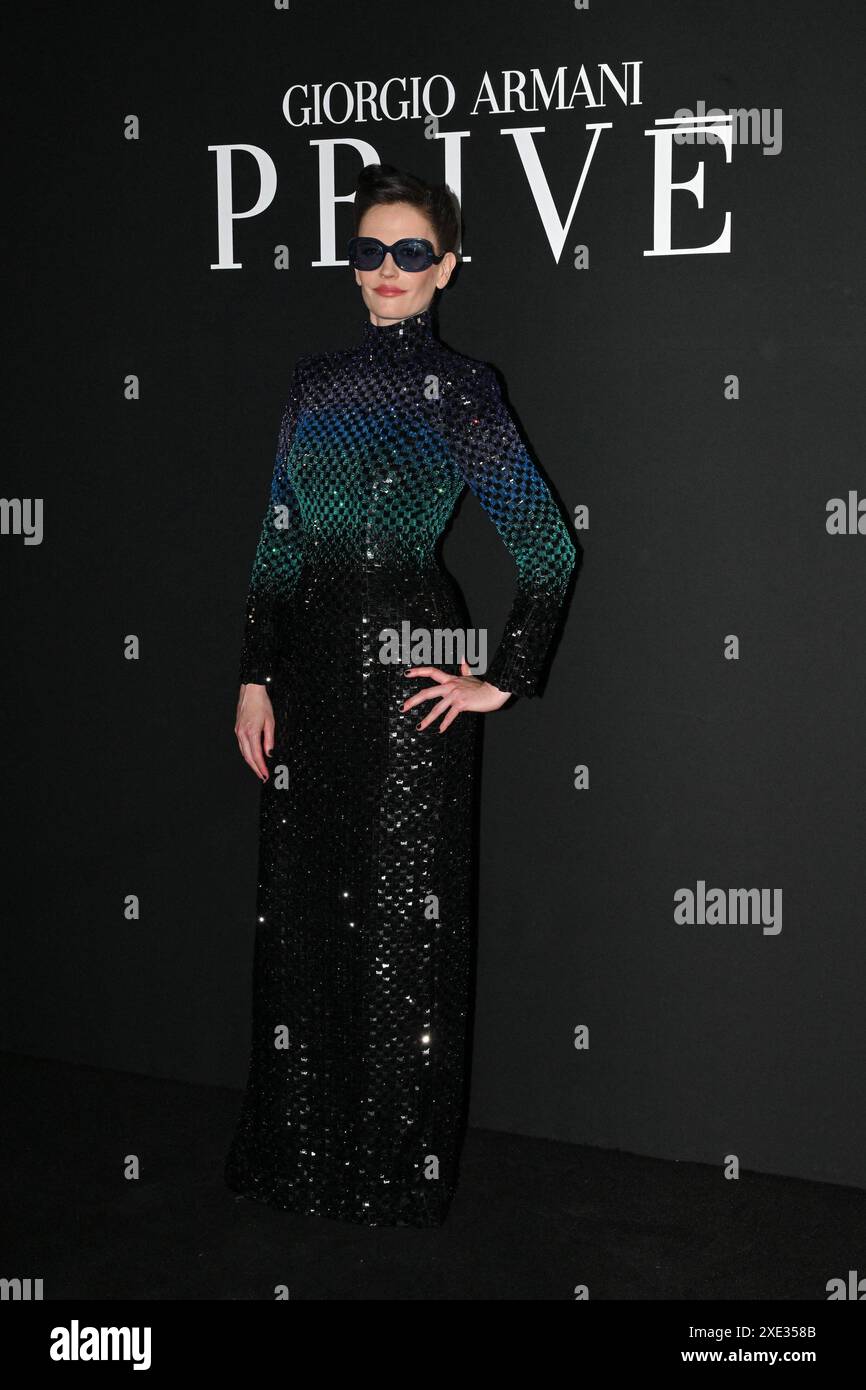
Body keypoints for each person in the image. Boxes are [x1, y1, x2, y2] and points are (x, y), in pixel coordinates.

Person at [224, 162, 577, 1227]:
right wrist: (252, 672)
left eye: (411, 252)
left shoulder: (461, 389)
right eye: (369, 250)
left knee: (398, 931)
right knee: (299, 917)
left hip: (411, 668)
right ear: (351, 264)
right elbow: (277, 541)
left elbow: (547, 550)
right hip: (307, 669)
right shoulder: (312, 379)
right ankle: (299, 1153)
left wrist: (500, 679)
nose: (387, 269)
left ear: (447, 268)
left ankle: (390, 1169)